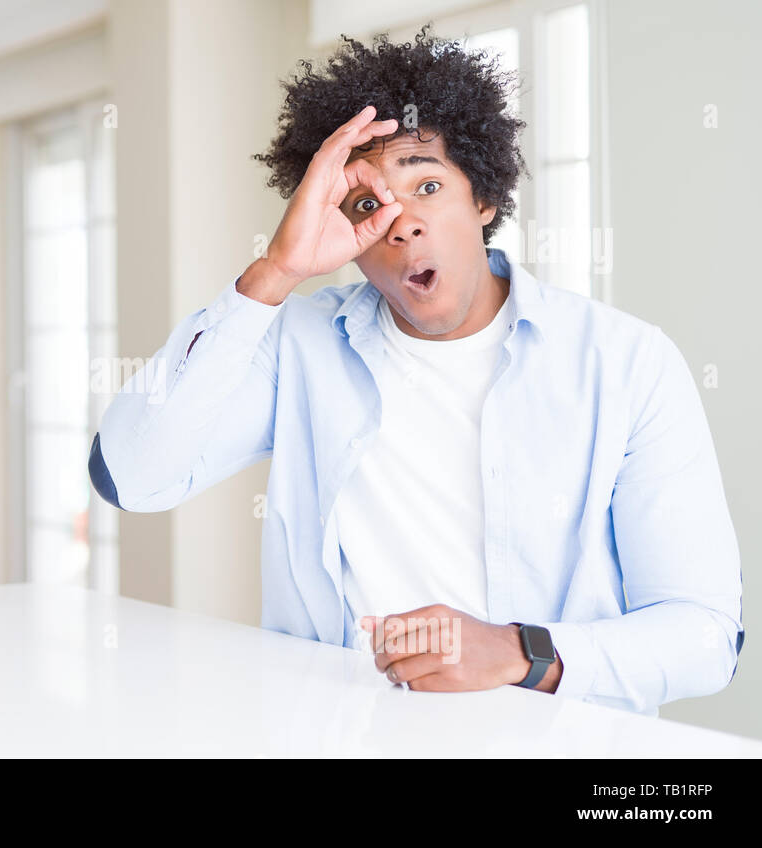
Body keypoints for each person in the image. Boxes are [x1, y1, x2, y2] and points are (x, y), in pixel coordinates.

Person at [88, 25, 743, 715]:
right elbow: (129, 475)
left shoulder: (627, 363)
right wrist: (275, 271)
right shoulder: (299, 345)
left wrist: (519, 653)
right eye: (367, 205)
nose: (400, 224)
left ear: (482, 198)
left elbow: (705, 636)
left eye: (426, 184)